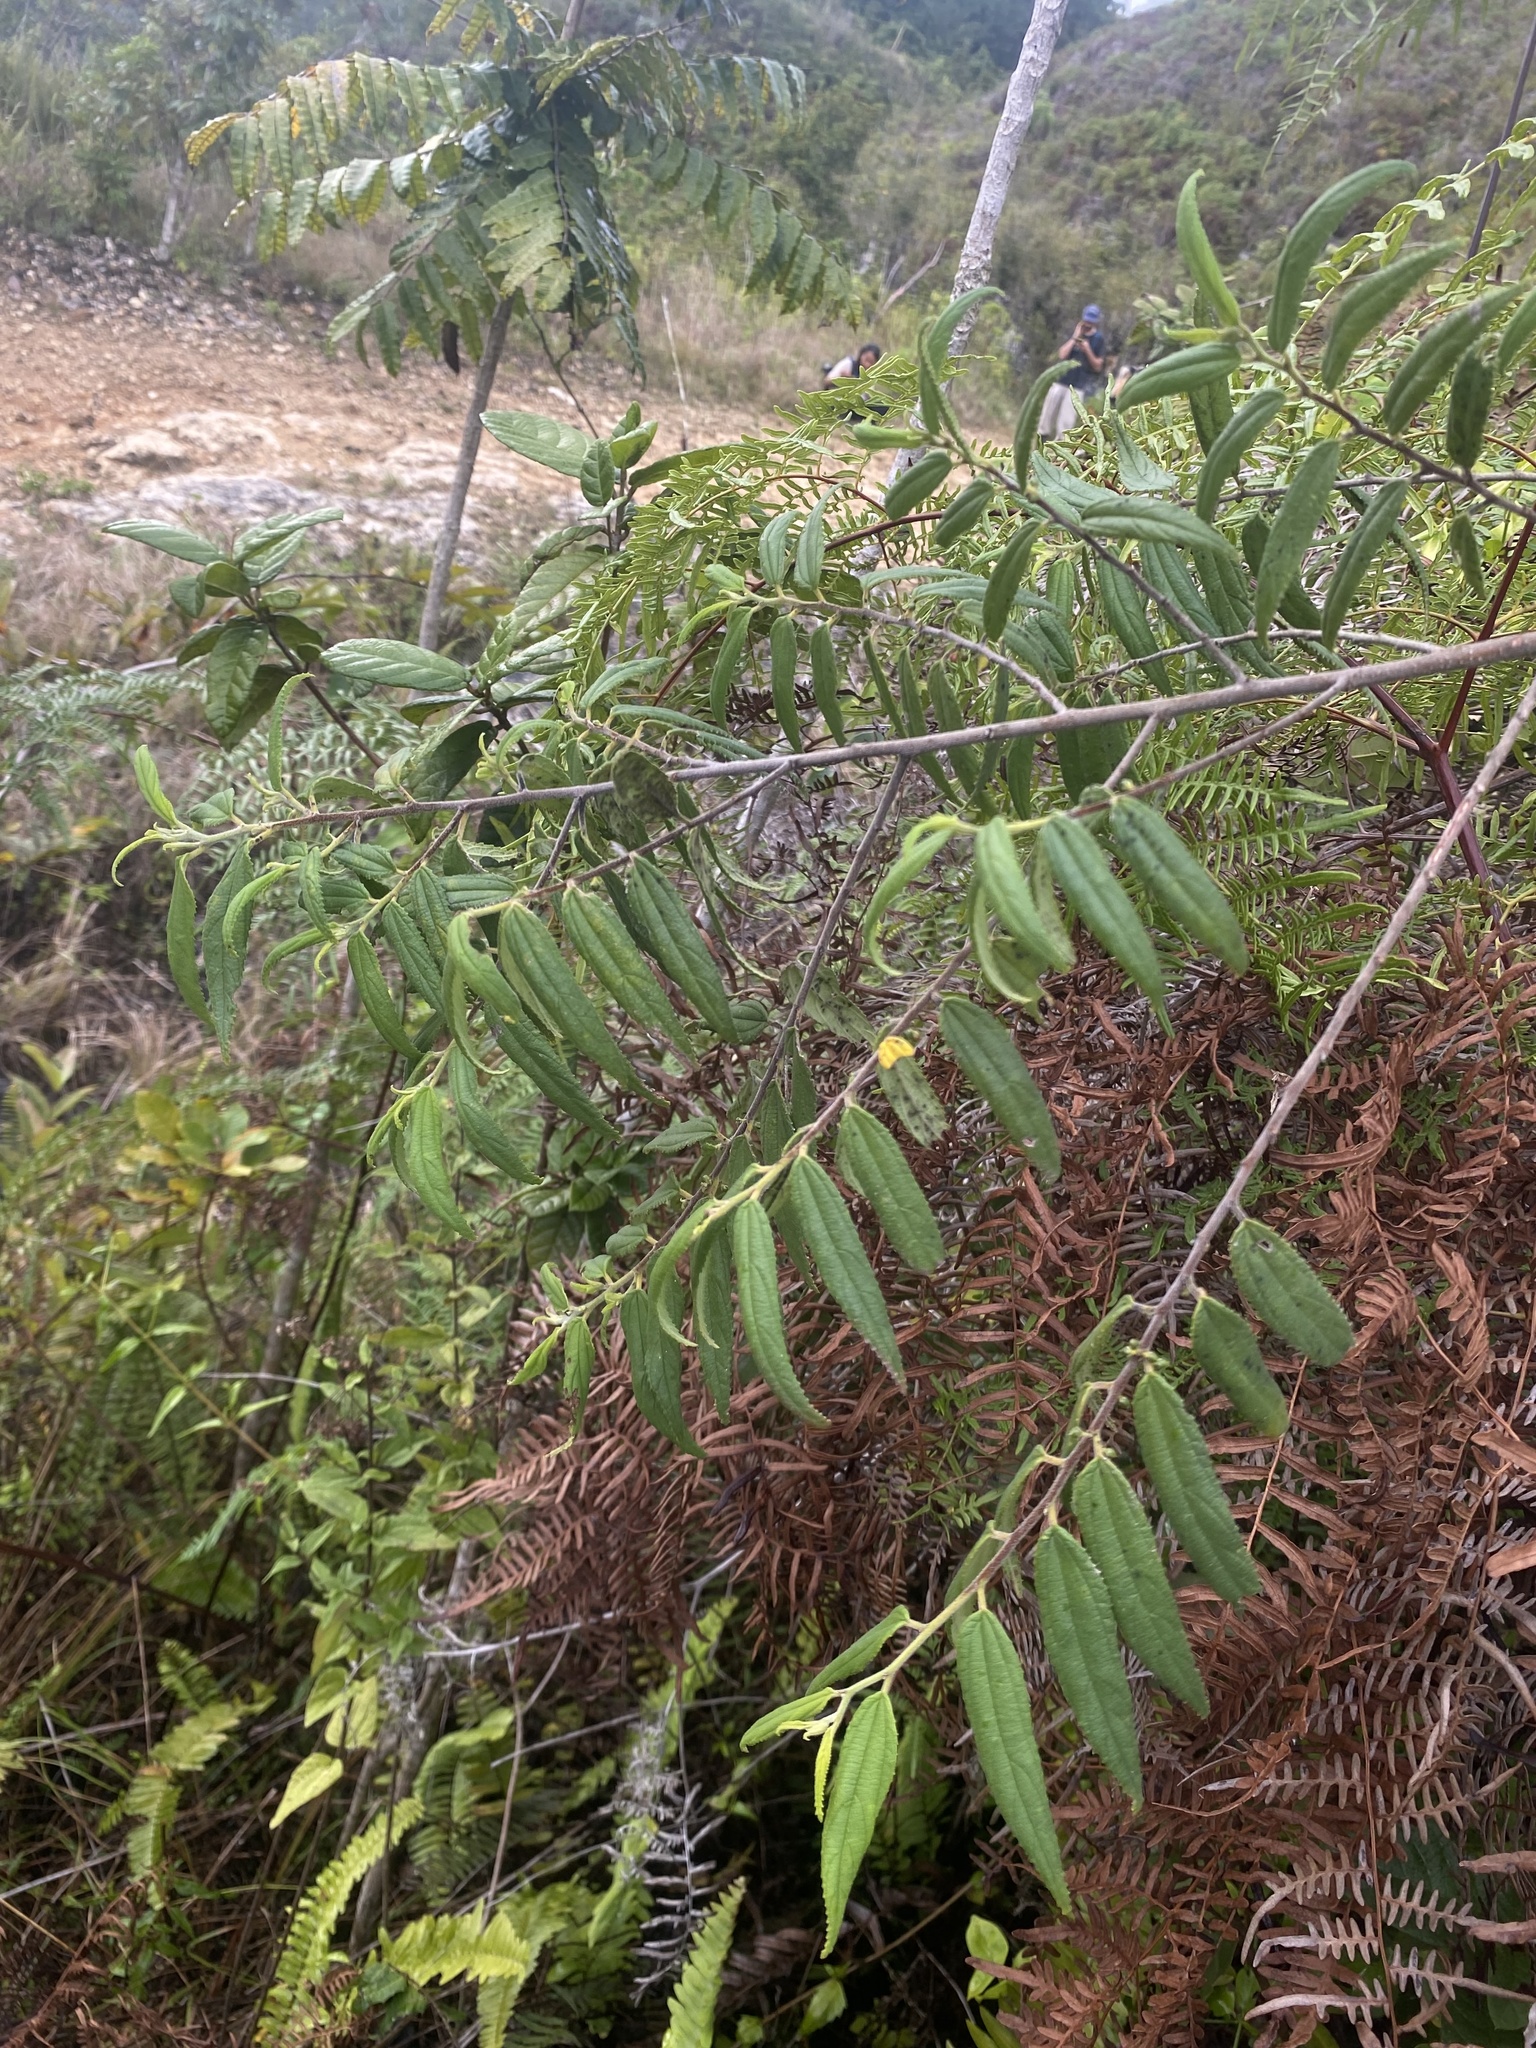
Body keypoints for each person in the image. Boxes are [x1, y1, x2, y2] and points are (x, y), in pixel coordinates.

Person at [1040, 304, 1106, 438]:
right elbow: (1062, 354)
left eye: (1091, 322)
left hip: (1078, 386)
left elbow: (1098, 365)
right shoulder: (1075, 332)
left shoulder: (1098, 339)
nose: (1087, 324)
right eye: (1086, 321)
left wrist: (1087, 350)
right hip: (1061, 380)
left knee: (1065, 423)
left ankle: (1058, 451)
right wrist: (1075, 338)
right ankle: (1040, 440)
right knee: (1046, 416)